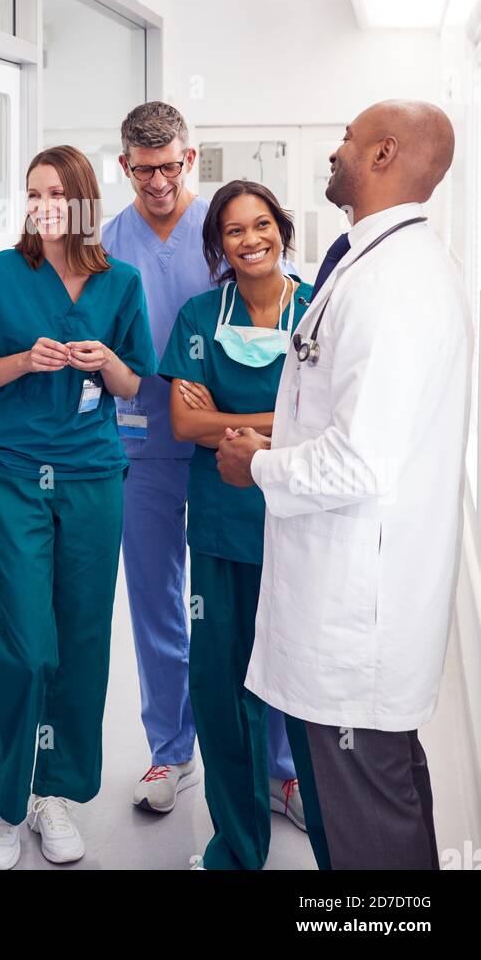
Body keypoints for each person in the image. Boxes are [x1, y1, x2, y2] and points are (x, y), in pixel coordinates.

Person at [217, 101, 471, 870]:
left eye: (350, 142)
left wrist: (256, 464)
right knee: (383, 809)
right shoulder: (380, 263)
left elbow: (362, 462)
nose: (336, 152)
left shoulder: (393, 285)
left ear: (386, 153)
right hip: (358, 602)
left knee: (371, 829)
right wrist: (282, 439)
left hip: (358, 616)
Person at [0, 144, 158, 869]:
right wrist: (23, 362)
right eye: (33, 192)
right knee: (25, 641)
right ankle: (9, 803)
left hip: (93, 475)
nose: (44, 205)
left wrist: (106, 362)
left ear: (84, 201)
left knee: (82, 640)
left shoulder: (120, 282)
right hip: (12, 469)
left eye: (57, 193)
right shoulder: (0, 275)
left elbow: (134, 387)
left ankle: (54, 794)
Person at [103, 102, 307, 819]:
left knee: (260, 603)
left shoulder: (225, 228)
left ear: (190, 159)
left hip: (233, 455)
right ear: (123, 166)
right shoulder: (109, 241)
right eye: (142, 169)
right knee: (158, 602)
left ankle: (281, 766)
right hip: (144, 448)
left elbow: (277, 316)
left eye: (170, 166)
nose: (158, 182)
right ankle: (170, 749)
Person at [159, 181, 330, 871]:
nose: (250, 239)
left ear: (281, 230)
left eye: (262, 225)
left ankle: (336, 845)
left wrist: (235, 421)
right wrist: (283, 419)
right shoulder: (201, 316)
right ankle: (236, 843)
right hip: (225, 529)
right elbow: (182, 423)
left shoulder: (321, 309)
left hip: (303, 525)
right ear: (218, 245)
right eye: (233, 231)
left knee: (311, 694)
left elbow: (330, 423)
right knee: (224, 688)